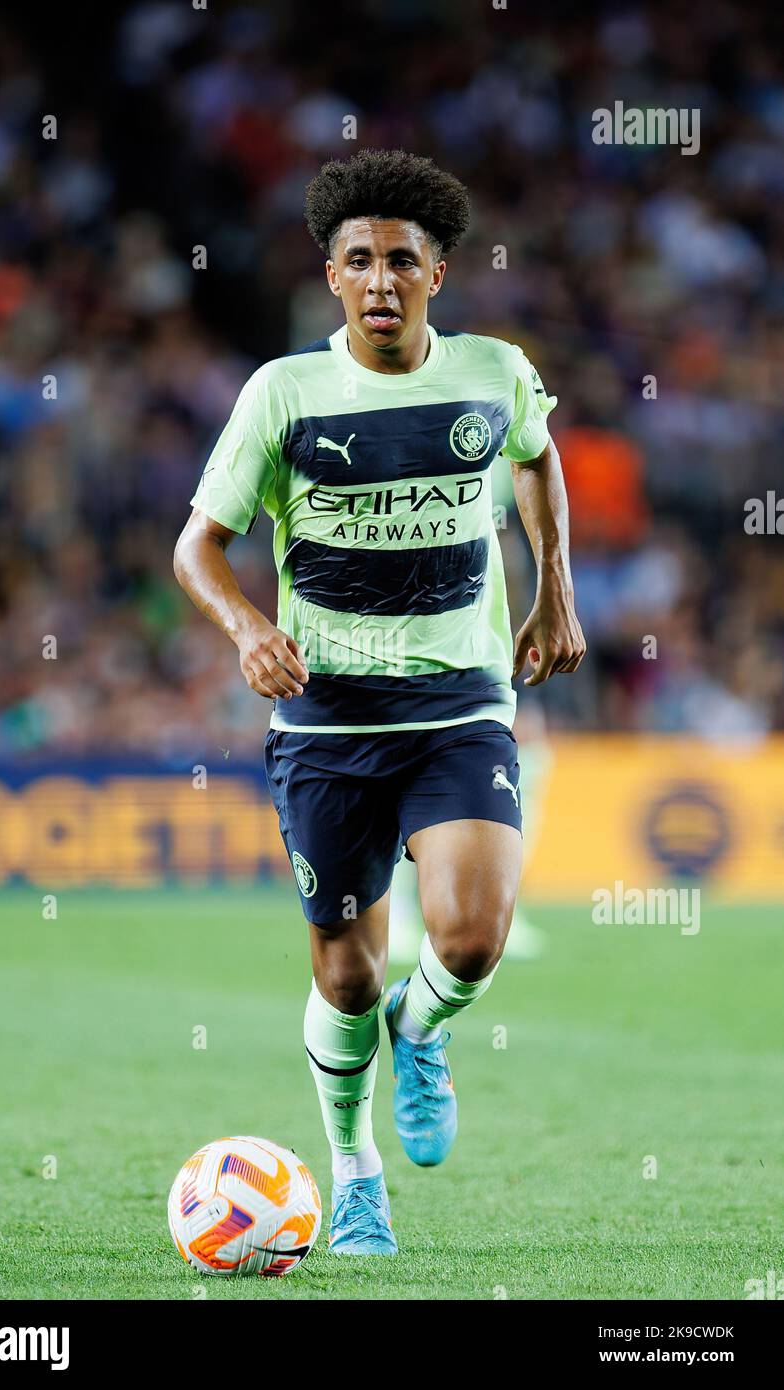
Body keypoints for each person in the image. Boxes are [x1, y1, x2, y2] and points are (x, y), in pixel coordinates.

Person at [174, 148, 585, 1256]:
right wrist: (250, 627)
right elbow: (196, 546)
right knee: (344, 973)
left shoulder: (493, 373)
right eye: (358, 260)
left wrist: (552, 591)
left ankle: (426, 1025)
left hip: (458, 705)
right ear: (331, 275)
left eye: (401, 259)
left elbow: (537, 457)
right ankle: (355, 1174)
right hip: (327, 722)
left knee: (468, 939)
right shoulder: (284, 394)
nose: (380, 279)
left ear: (435, 275)